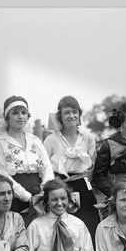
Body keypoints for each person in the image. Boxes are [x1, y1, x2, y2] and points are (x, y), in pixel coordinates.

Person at [0, 96, 54, 226]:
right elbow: (0, 175)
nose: (20, 116)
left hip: (40, 197)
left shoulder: (35, 140)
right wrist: (27, 197)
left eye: (24, 112)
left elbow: (47, 167)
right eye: (15, 113)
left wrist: (43, 192)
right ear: (7, 117)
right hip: (14, 198)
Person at [43, 95, 101, 239]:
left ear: (79, 114)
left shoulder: (88, 138)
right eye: (67, 112)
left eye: (75, 112)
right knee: (64, 228)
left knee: (89, 225)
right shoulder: (51, 140)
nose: (71, 116)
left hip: (83, 186)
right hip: (60, 186)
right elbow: (44, 167)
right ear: (60, 116)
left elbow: (91, 163)